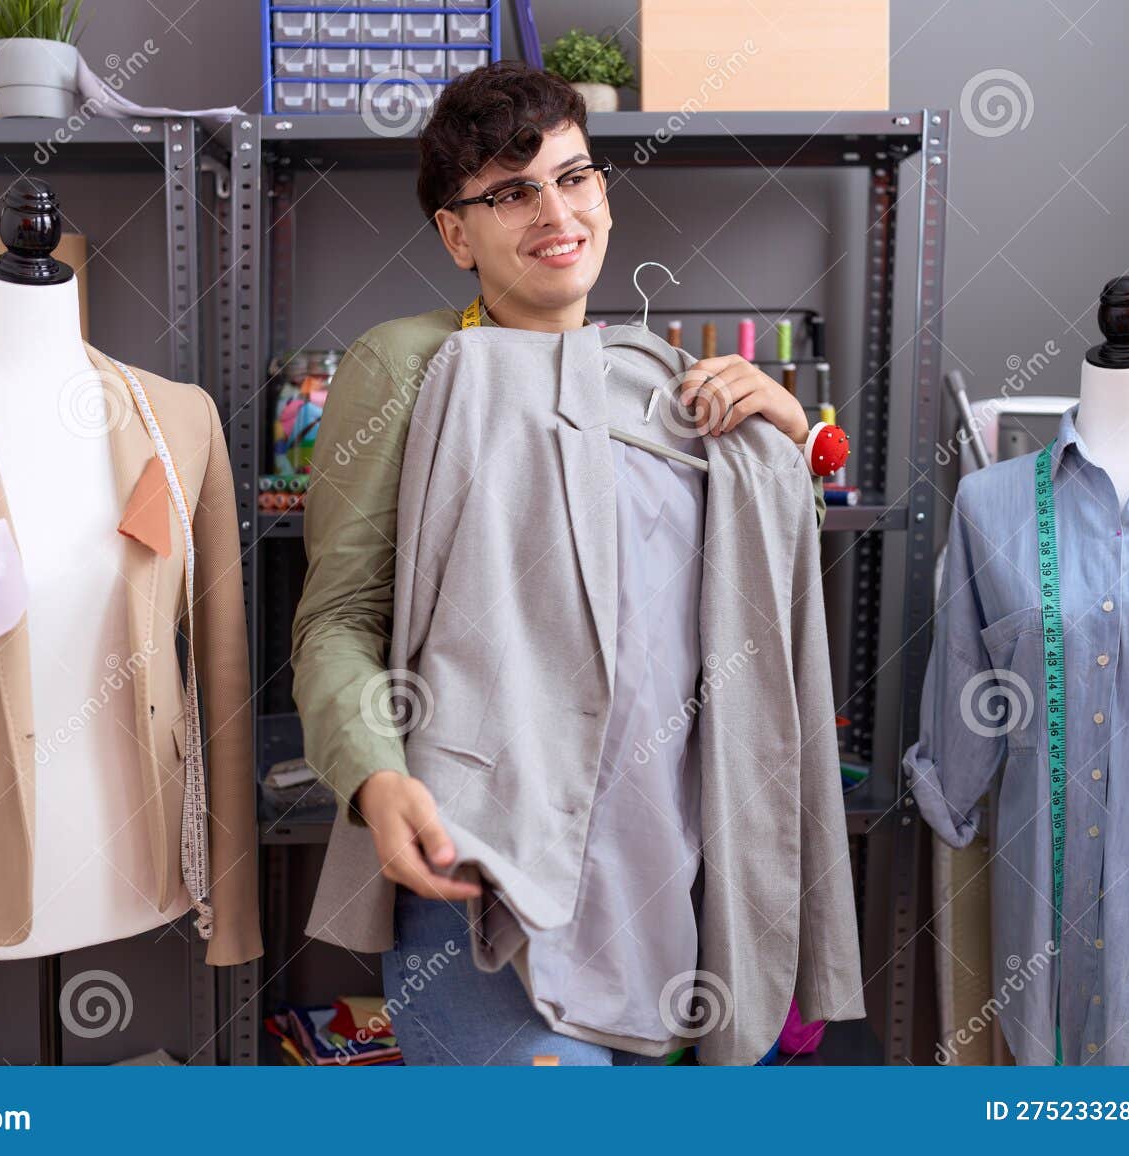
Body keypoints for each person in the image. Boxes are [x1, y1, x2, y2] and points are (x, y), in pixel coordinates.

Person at [291, 61, 824, 1064]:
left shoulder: (668, 386)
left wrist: (780, 450)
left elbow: (749, 618)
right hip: (484, 875)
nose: (553, 211)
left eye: (573, 178)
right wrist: (372, 773)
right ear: (457, 233)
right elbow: (340, 615)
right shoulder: (408, 363)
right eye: (509, 192)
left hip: (665, 881)